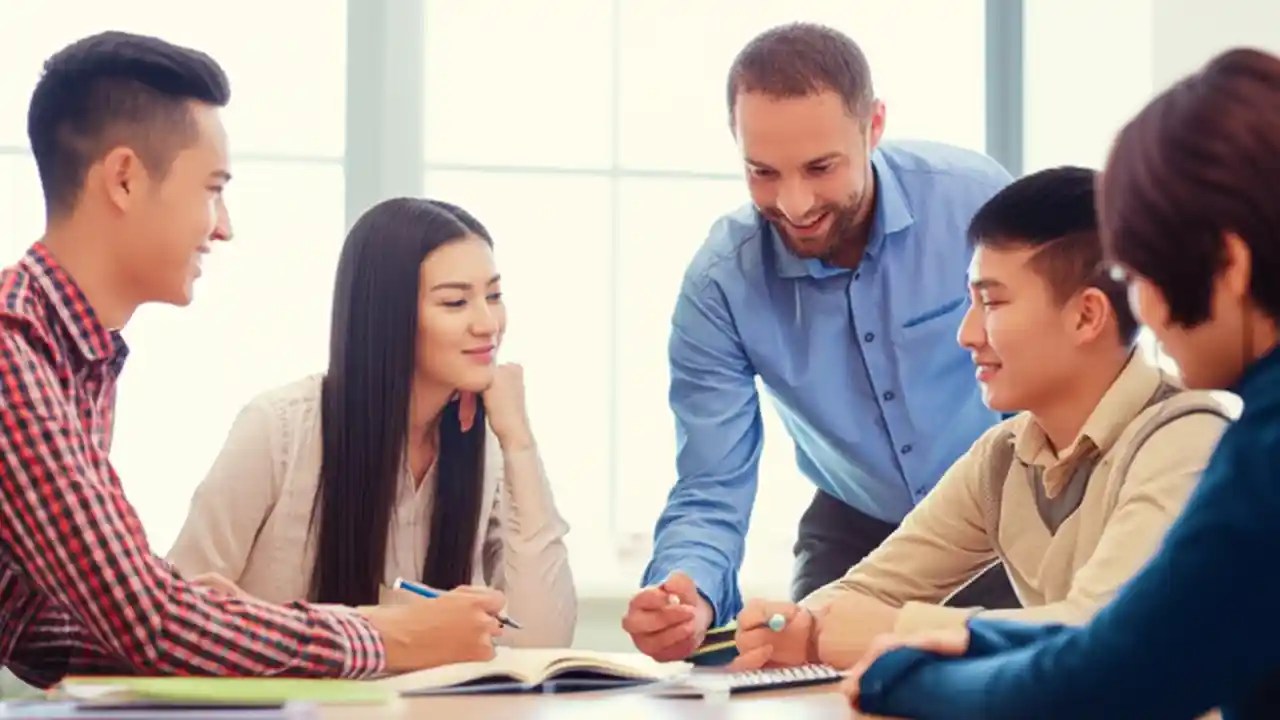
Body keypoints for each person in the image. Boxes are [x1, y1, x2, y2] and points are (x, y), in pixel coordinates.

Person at [0, 31, 505, 687]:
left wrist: (211, 621)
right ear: (124, 179)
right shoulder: (15, 350)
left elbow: (32, 627)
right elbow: (148, 625)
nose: (223, 226)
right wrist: (390, 633)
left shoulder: (74, 355)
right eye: (213, 188)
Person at [844, 47, 1280, 720]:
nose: (1146, 315)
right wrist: (966, 638)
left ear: (1228, 266)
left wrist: (901, 675)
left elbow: (1110, 676)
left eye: (1143, 278)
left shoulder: (1255, 447)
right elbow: (1133, 643)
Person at [728, 166, 1233, 671]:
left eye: (991, 302)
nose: (967, 334)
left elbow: (1104, 627)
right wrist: (797, 626)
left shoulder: (1188, 438)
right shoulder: (1004, 457)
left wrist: (894, 631)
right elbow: (868, 588)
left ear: (1086, 316)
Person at [625, 21, 1017, 661]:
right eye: (762, 172)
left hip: (1009, 518)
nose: (795, 203)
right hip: (854, 528)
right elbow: (711, 482)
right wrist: (687, 594)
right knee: (796, 683)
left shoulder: (975, 202)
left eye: (820, 167)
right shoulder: (721, 284)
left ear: (874, 127)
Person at [167, 197, 577, 648]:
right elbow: (179, 615)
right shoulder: (279, 430)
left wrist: (519, 439)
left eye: (494, 296)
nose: (488, 323)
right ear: (388, 316)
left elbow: (543, 644)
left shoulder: (487, 449)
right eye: (456, 302)